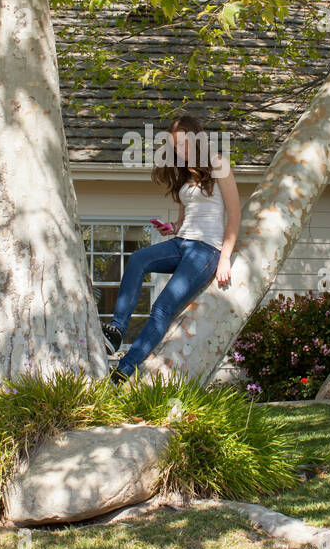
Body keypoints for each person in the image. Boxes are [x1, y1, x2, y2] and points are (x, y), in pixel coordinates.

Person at [101, 115, 240, 383]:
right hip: (182, 242)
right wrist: (172, 227)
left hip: (206, 251)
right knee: (138, 259)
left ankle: (122, 372)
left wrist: (225, 259)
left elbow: (234, 215)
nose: (179, 150)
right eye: (175, 146)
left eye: (182, 143)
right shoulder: (186, 172)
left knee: (162, 308)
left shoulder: (219, 163)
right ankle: (117, 331)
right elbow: (186, 217)